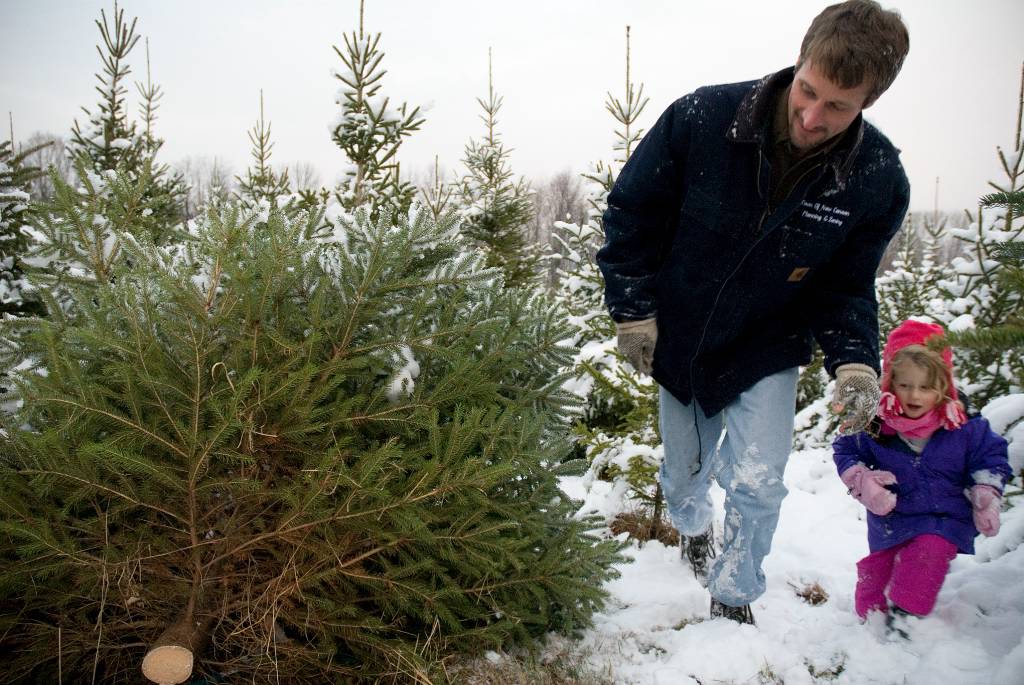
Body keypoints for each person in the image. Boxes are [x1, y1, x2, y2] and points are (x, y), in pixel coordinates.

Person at [596, 0, 911, 624]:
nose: (812, 116)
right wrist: (633, 311)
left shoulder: (875, 178)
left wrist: (854, 364)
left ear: (868, 102)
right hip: (683, 337)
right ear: (799, 62)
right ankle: (691, 523)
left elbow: (847, 286)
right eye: (808, 91)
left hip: (769, 342)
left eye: (838, 107)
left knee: (760, 481)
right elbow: (632, 211)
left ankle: (734, 594)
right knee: (685, 473)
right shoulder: (702, 118)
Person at [833, 319, 1010, 630]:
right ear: (889, 384)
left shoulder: (963, 425)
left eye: (926, 387)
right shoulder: (876, 425)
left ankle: (907, 618)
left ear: (943, 387)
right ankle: (871, 627)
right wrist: (862, 481)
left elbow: (991, 456)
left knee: (927, 555)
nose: (914, 395)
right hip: (892, 518)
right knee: (873, 589)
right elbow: (846, 450)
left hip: (945, 517)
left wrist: (986, 493)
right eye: (905, 385)